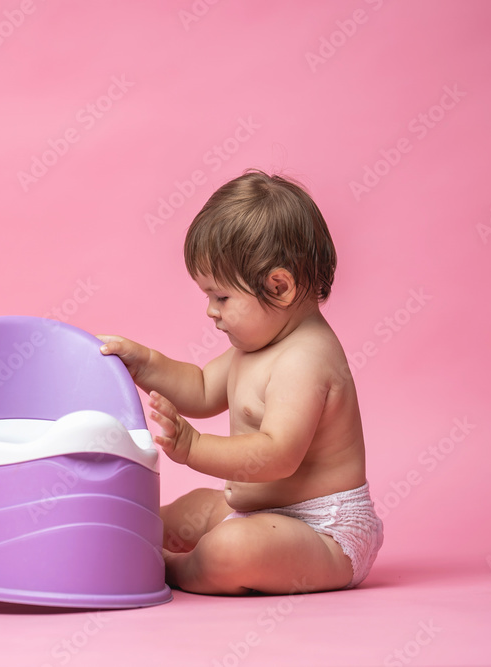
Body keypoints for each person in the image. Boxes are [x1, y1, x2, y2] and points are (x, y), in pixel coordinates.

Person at [98, 169, 383, 595]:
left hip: (324, 532)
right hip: (262, 517)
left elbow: (278, 454)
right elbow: (199, 387)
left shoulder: (306, 358)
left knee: (231, 549)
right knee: (186, 510)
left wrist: (194, 448)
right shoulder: (254, 346)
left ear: (279, 286)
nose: (211, 311)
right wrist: (145, 363)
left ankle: (172, 568)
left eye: (221, 297)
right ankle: (117, 541)